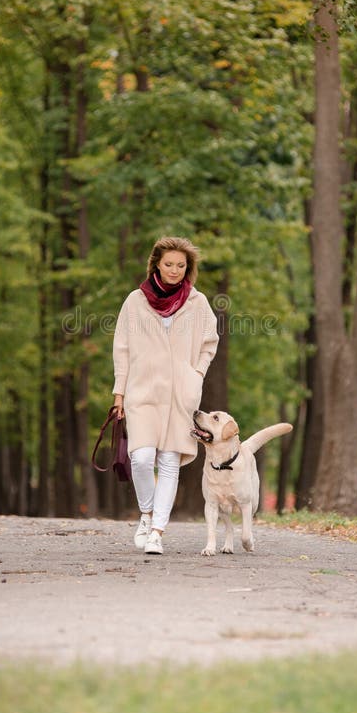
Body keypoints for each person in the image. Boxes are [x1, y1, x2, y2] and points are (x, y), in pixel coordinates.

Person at [112, 236, 219, 555]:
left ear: (189, 268)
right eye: (169, 264)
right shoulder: (135, 300)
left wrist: (195, 373)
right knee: (142, 457)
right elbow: (122, 347)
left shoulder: (197, 302)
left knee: (170, 460)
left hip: (180, 393)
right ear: (156, 264)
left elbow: (209, 343)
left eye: (181, 265)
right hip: (141, 390)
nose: (174, 270)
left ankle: (157, 531)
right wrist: (119, 391)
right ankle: (146, 513)